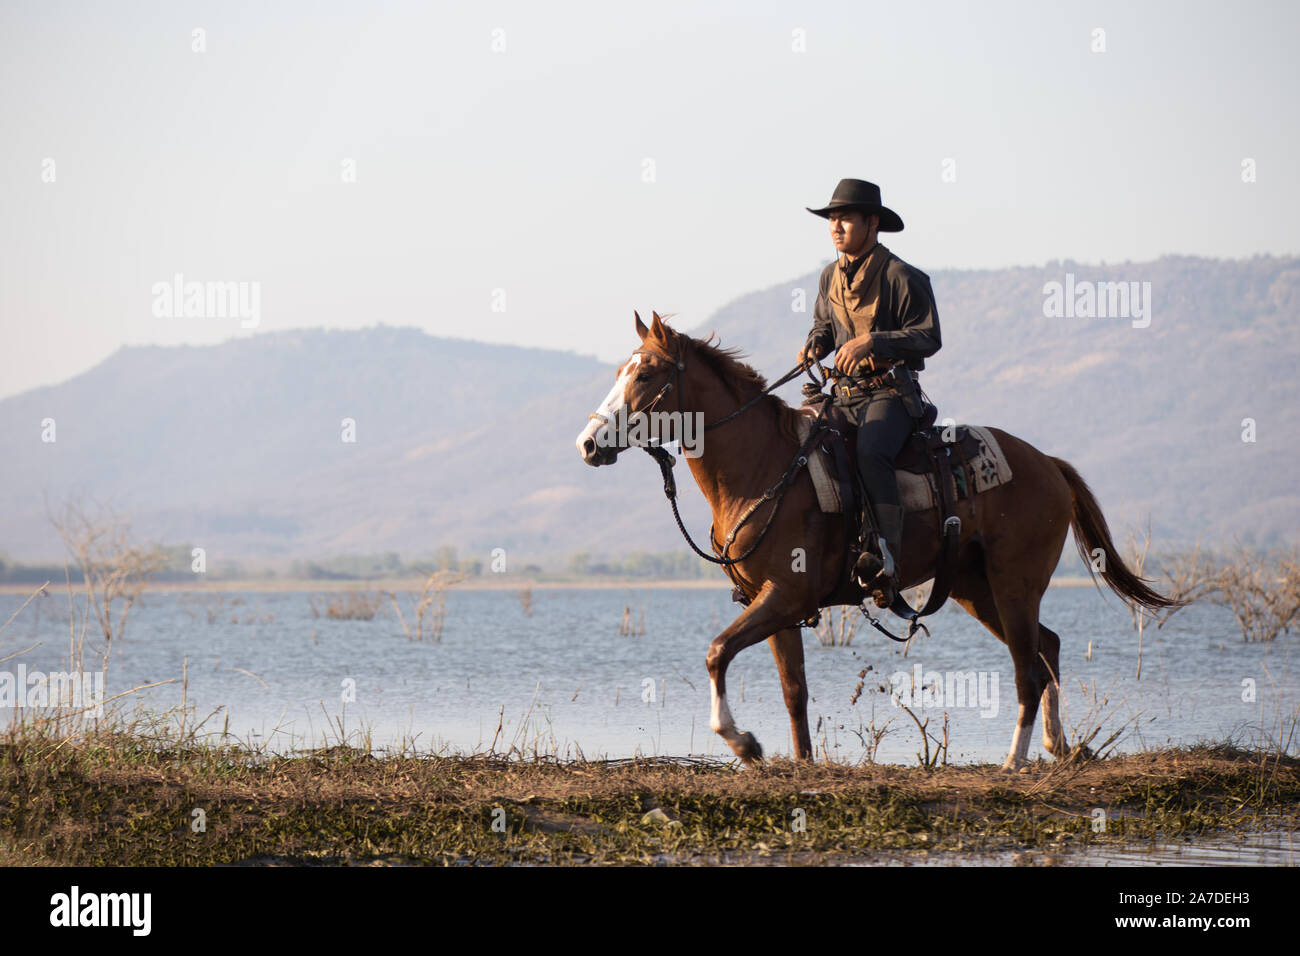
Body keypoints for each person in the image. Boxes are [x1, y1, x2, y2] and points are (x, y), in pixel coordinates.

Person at [797, 179, 942, 600]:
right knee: (805, 446)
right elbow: (824, 325)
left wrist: (873, 342)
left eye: (844, 218)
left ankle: (886, 556)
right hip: (842, 395)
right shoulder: (828, 277)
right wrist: (815, 345)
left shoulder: (903, 276)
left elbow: (929, 337)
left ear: (872, 222)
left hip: (890, 394)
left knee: (870, 452)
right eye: (831, 219)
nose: (835, 226)